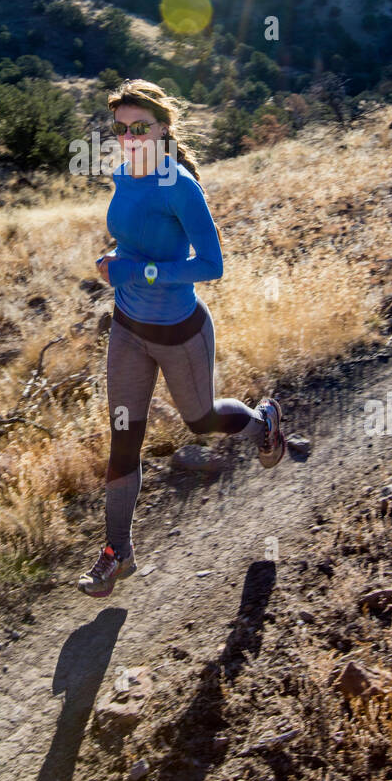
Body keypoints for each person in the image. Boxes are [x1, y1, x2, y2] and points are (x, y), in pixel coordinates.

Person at [78, 78, 289, 598]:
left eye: (139, 128)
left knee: (200, 420)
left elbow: (211, 266)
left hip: (179, 332)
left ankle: (263, 424)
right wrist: (115, 260)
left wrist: (140, 271)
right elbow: (134, 239)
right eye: (120, 128)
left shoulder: (181, 186)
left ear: (163, 129)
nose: (128, 137)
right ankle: (116, 553)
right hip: (127, 329)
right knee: (124, 436)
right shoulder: (123, 175)